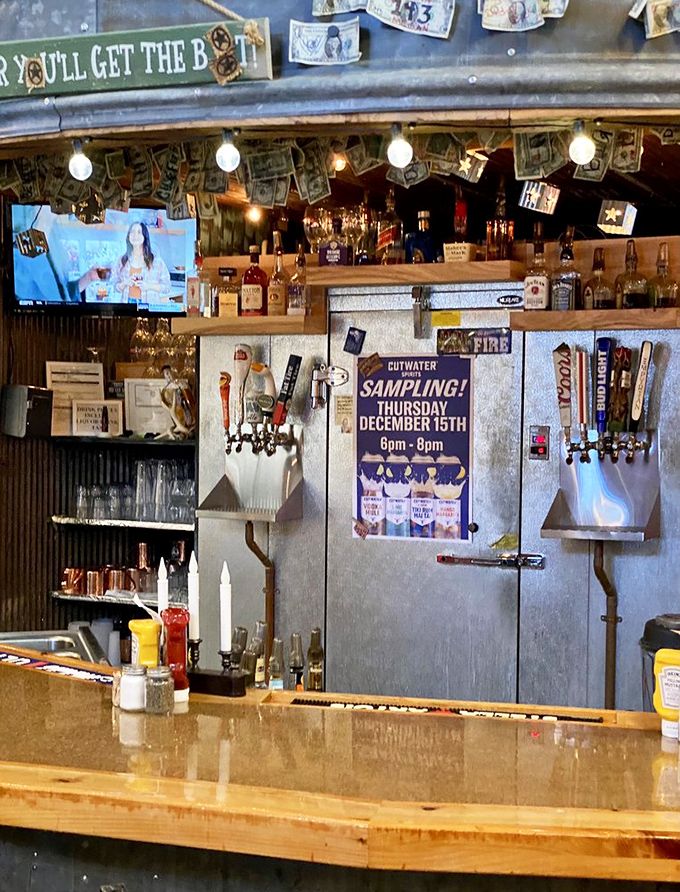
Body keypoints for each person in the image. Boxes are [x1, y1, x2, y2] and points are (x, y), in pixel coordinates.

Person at [112, 221, 171, 303]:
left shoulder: (157, 261)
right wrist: (125, 283)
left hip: (149, 309)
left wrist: (149, 286)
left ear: (145, 237)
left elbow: (167, 288)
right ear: (128, 236)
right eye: (132, 232)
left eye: (139, 232)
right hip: (126, 305)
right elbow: (114, 286)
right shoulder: (122, 261)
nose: (135, 235)